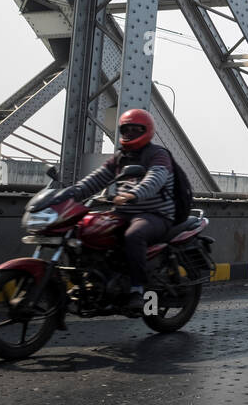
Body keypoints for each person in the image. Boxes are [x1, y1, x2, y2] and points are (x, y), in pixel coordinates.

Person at [55, 109, 174, 315]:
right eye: (126, 129)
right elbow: (96, 179)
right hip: (123, 212)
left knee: (134, 235)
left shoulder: (158, 155)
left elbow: (155, 179)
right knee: (83, 227)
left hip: (155, 214)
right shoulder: (120, 157)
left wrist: (134, 194)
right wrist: (69, 193)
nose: (131, 133)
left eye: (137, 129)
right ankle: (91, 280)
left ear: (147, 131)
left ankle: (137, 290)